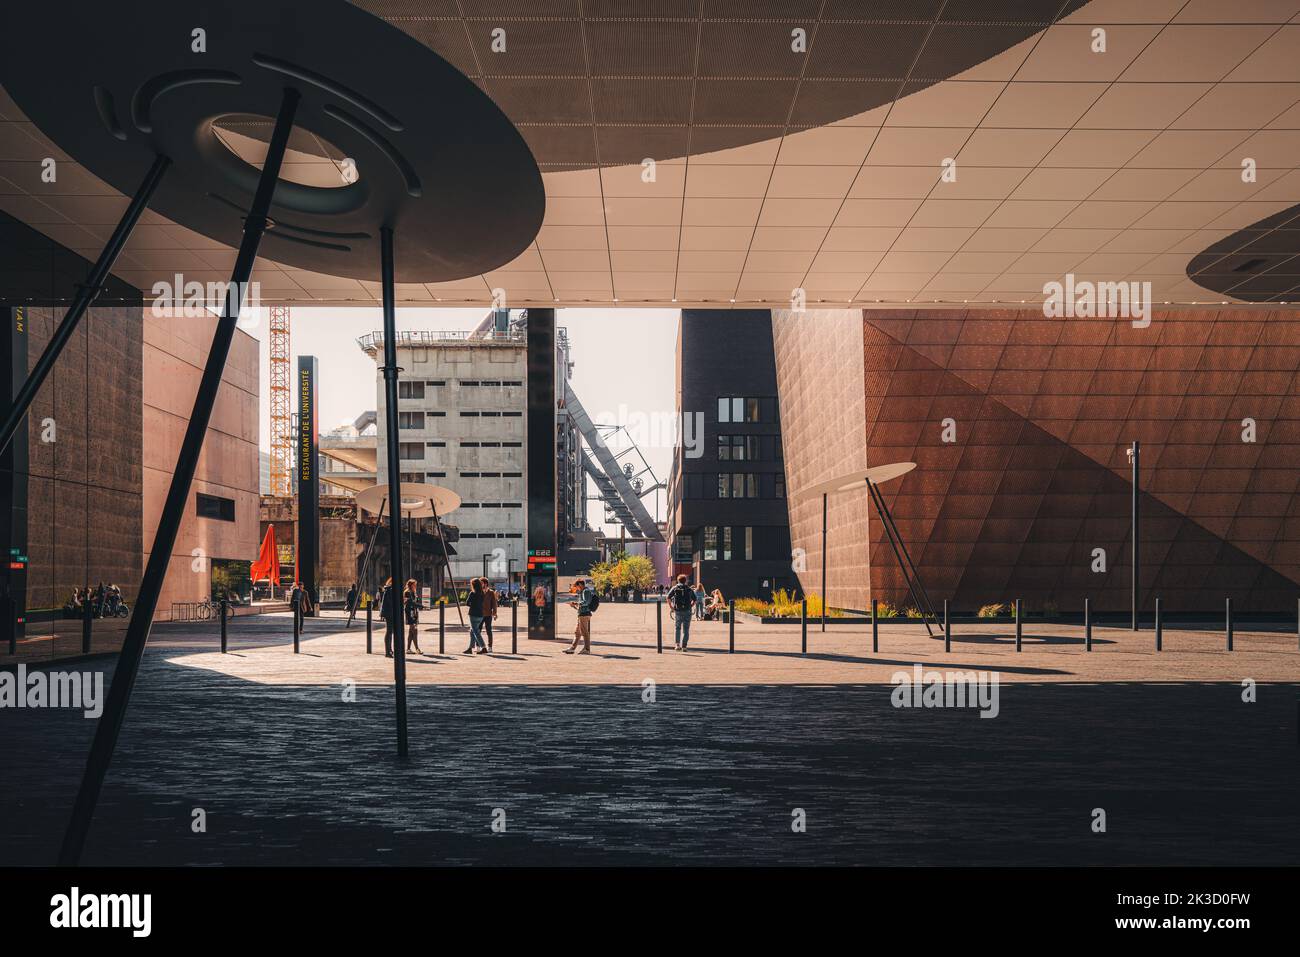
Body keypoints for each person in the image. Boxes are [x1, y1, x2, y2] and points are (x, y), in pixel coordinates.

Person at [563, 577, 595, 655]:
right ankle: (572, 648)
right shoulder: (583, 591)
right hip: (581, 614)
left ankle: (587, 649)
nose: (576, 588)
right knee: (577, 632)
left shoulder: (585, 591)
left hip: (584, 615)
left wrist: (576, 603)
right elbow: (582, 605)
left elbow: (586, 602)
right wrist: (574, 605)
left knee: (584, 632)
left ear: (580, 584)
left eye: (577, 586)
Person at [666, 574, 695, 651]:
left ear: (678, 580)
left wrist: (671, 607)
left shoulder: (675, 588)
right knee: (686, 629)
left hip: (678, 610)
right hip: (687, 610)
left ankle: (677, 645)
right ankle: (684, 646)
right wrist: (691, 606)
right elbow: (694, 599)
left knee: (677, 628)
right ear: (685, 581)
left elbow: (668, 597)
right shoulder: (689, 589)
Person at [465, 578, 488, 654]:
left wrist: (473, 605)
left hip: (473, 614)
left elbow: (467, 603)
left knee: (475, 631)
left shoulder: (472, 593)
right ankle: (470, 648)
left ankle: (483, 647)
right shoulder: (483, 594)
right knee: (473, 631)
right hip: (481, 615)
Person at [403, 579, 422, 654]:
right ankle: (417, 648)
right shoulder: (407, 592)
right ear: (411, 585)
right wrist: (421, 606)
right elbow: (411, 603)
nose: (415, 586)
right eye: (414, 585)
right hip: (409, 613)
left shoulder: (414, 592)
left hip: (414, 613)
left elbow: (416, 602)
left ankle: (408, 649)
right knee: (414, 630)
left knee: (411, 632)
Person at [379, 578, 397, 657]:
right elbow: (391, 603)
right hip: (389, 613)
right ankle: (387, 651)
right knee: (389, 631)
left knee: (390, 631)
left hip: (389, 613)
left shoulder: (389, 590)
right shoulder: (390, 590)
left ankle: (389, 649)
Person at [481, 578, 498, 652]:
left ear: (485, 584)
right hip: (480, 614)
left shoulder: (491, 592)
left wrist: (494, 613)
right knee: (478, 630)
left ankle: (490, 647)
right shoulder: (479, 592)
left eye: (482, 583)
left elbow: (494, 604)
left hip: (488, 615)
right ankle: (478, 646)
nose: (481, 584)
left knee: (489, 631)